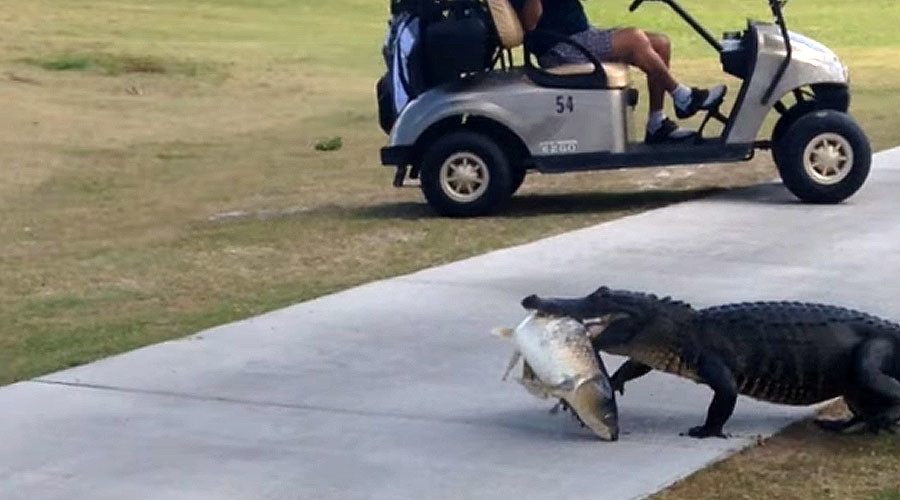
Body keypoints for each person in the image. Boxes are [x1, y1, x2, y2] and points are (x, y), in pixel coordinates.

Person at [511, 0, 727, 144]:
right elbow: (530, 24)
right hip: (560, 48)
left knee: (661, 44)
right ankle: (683, 97)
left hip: (583, 37)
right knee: (634, 38)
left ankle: (657, 124)